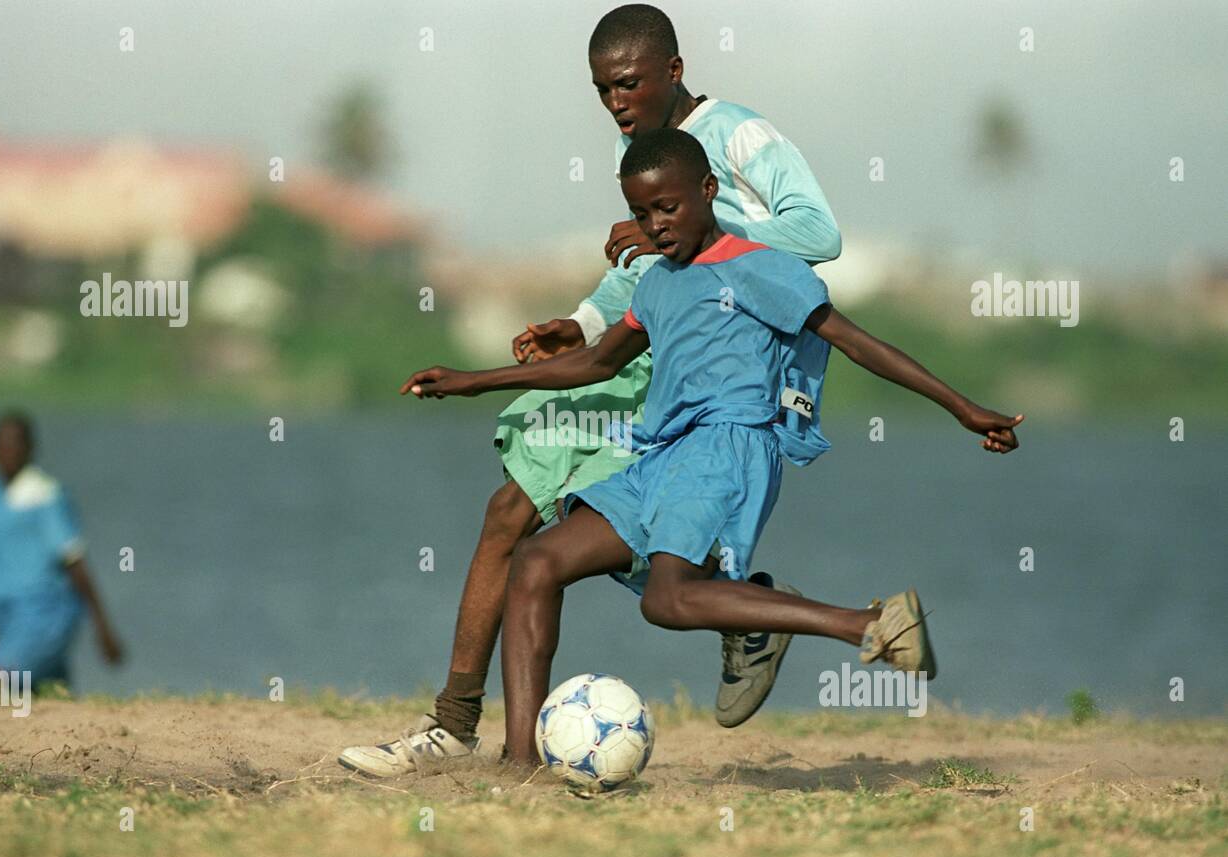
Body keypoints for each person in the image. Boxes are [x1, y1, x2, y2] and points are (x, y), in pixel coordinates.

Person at [396, 127, 1024, 763]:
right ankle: (520, 765)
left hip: (728, 449)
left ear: (707, 190)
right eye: (642, 213)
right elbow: (593, 365)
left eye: (667, 208)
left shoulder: (761, 269)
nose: (657, 225)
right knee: (535, 563)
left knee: (667, 599)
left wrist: (963, 407)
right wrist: (471, 381)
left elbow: (861, 343)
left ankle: (870, 625)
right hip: (660, 455)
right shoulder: (657, 284)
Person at [341, 3, 842, 776]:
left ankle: (746, 608)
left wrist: (704, 228)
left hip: (714, 368)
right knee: (514, 507)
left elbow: (817, 233)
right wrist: (581, 322)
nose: (615, 102)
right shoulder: (637, 144)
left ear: (674, 71)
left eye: (628, 84)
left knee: (613, 542)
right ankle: (454, 723)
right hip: (637, 353)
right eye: (603, 89)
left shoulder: (741, 134)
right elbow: (645, 271)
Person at [0, 411, 124, 688]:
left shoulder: (45, 496)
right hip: (6, 622)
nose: (8, 451)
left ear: (31, 448)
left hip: (46, 618)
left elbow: (75, 563)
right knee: (50, 699)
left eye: (16, 443)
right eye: (2, 443)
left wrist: (103, 628)